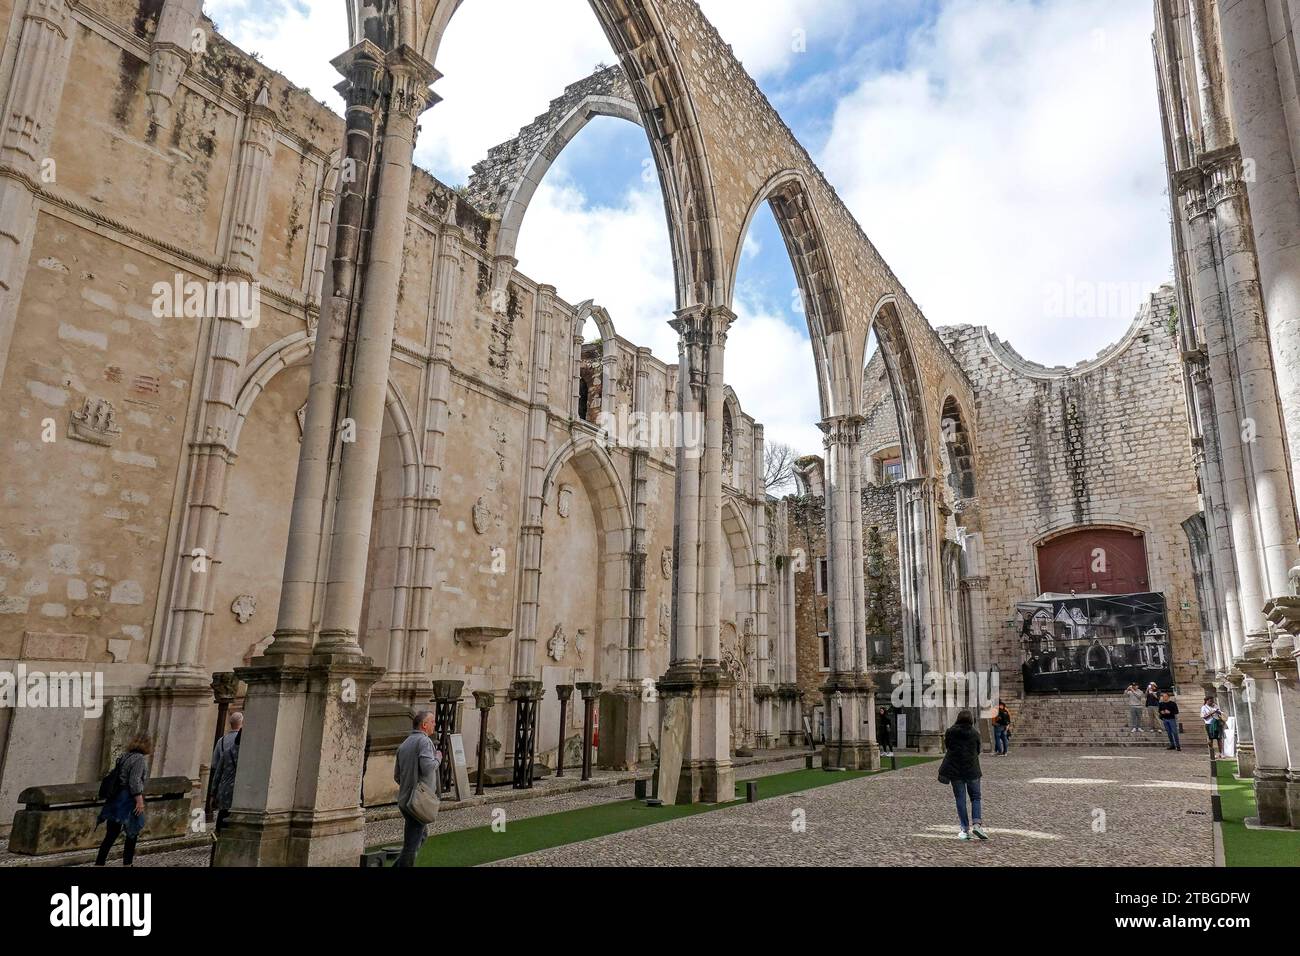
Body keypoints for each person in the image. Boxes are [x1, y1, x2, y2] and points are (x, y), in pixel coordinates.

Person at [393, 710, 442, 868]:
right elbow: (428, 767)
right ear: (424, 725)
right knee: (411, 846)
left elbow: (397, 776)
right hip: (418, 801)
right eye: (432, 721)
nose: (435, 724)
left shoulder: (405, 743)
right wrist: (438, 758)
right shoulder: (425, 742)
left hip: (405, 799)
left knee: (420, 835)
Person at [95, 733, 152, 866]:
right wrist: (139, 801)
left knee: (110, 835)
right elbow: (134, 781)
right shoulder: (139, 759)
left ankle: (99, 863)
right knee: (132, 832)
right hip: (128, 800)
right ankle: (127, 864)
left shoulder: (124, 756)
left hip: (116, 799)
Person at [938, 709, 987, 841]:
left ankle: (964, 829)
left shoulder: (950, 732)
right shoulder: (975, 733)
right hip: (972, 770)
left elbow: (948, 747)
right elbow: (978, 750)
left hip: (956, 770)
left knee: (960, 799)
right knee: (976, 798)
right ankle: (977, 824)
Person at [207, 712, 243, 863]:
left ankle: (217, 841)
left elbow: (216, 768)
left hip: (224, 787)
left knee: (222, 816)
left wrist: (212, 793)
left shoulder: (222, 743)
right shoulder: (246, 753)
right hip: (238, 789)